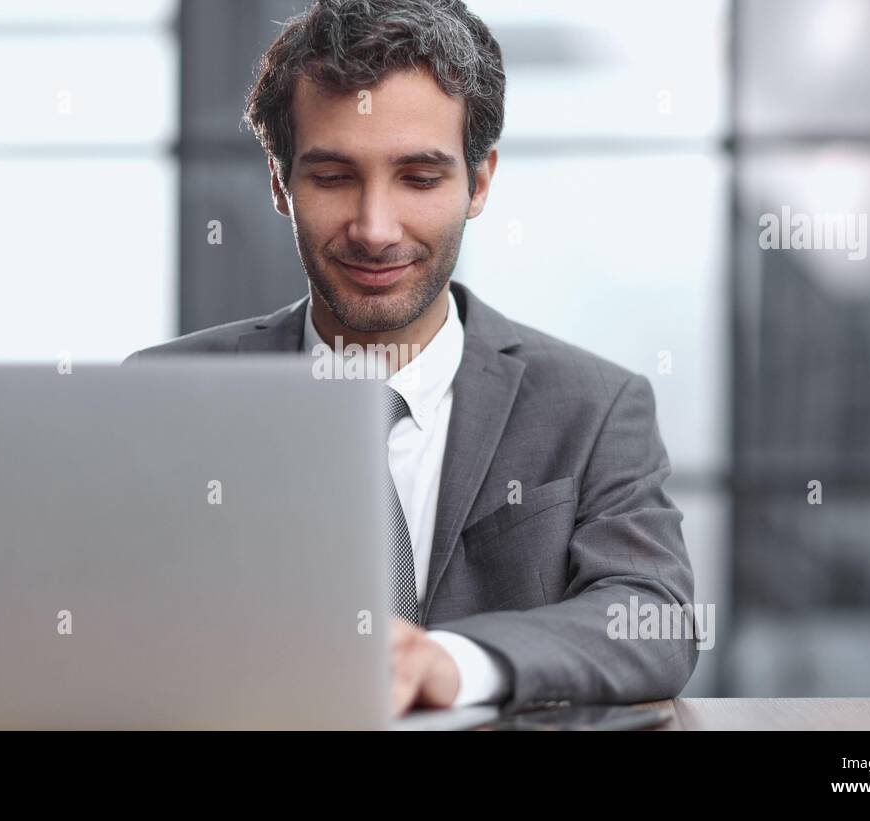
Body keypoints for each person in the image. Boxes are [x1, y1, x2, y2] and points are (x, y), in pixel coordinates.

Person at [126, 0, 697, 717]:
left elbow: (656, 617)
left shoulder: (593, 407)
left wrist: (456, 662)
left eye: (420, 178)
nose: (375, 228)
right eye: (332, 176)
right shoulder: (165, 395)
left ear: (480, 181)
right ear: (279, 182)